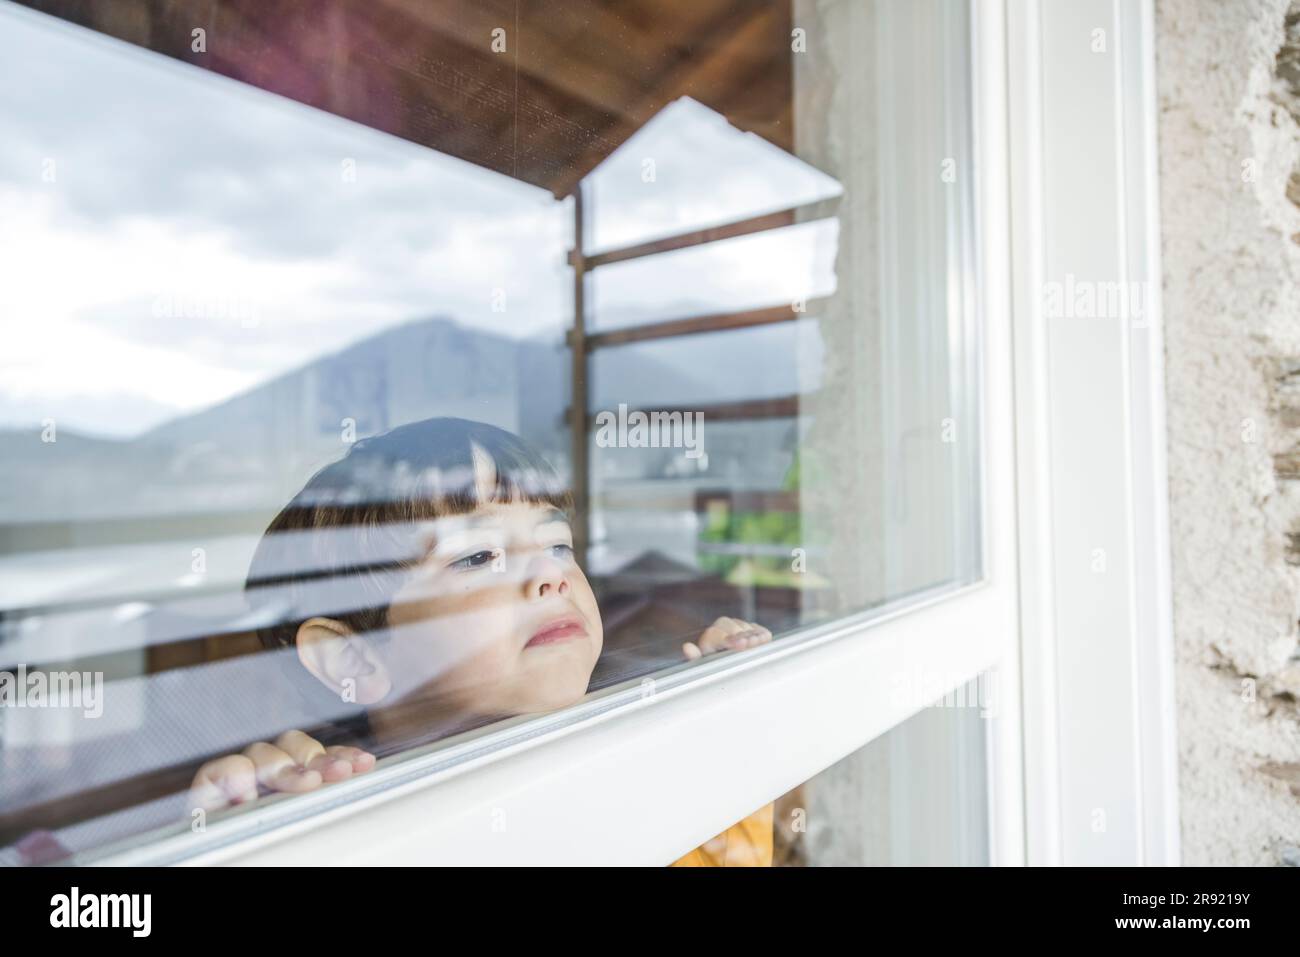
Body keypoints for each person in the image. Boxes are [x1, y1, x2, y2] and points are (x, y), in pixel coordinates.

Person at [189, 417, 775, 866]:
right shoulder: (359, 834)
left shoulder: (628, 762)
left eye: (557, 545)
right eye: (478, 556)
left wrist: (724, 745)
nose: (552, 576)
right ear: (355, 659)